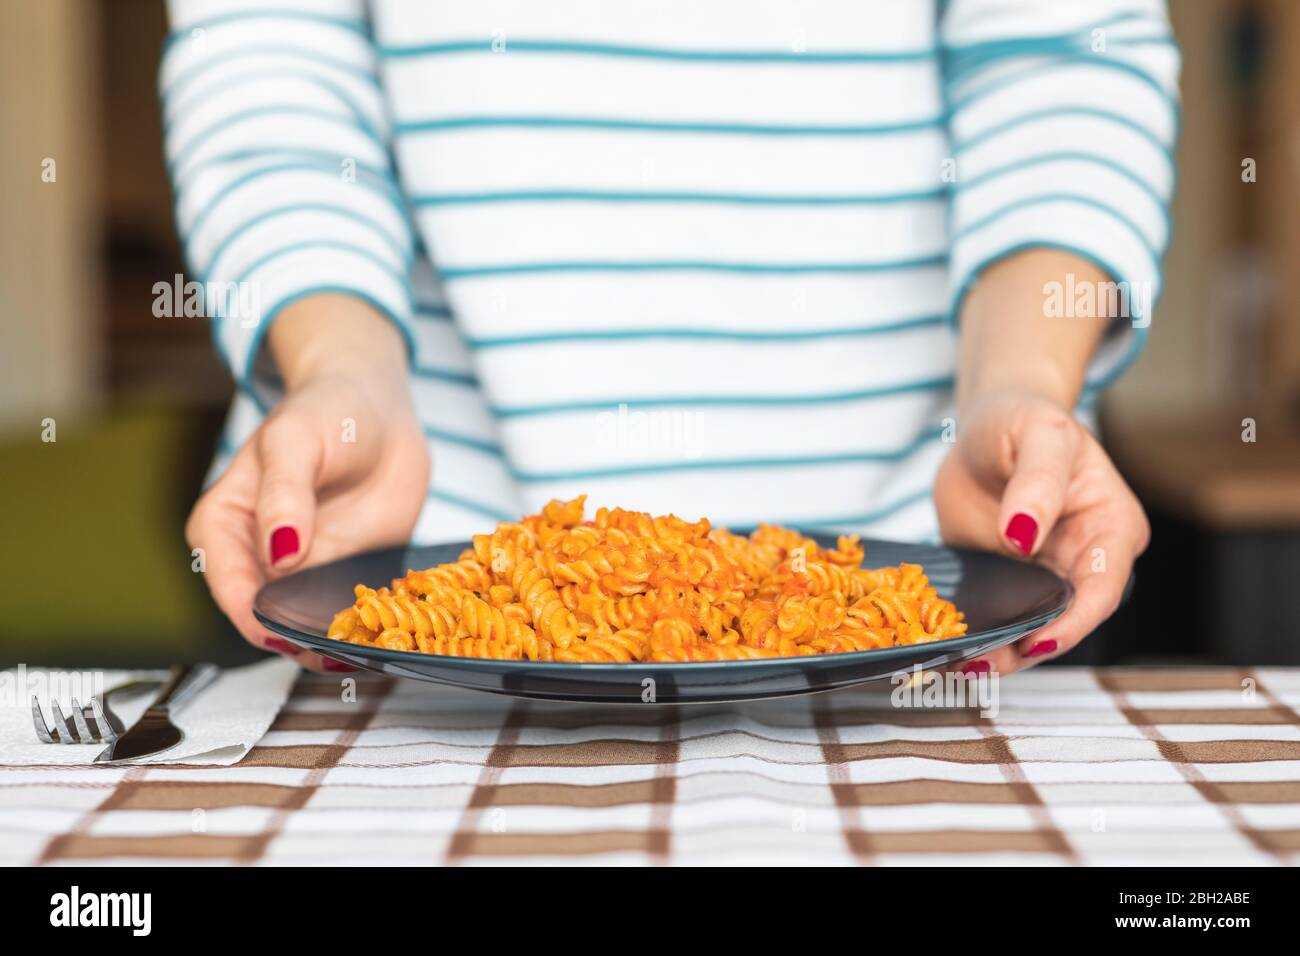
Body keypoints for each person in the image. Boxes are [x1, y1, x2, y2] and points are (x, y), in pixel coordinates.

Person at [164, 1, 1177, 673]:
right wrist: (342, 375)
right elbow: (269, 58)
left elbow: (1060, 64)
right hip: (415, 584)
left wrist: (1018, 388)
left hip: (931, 582)